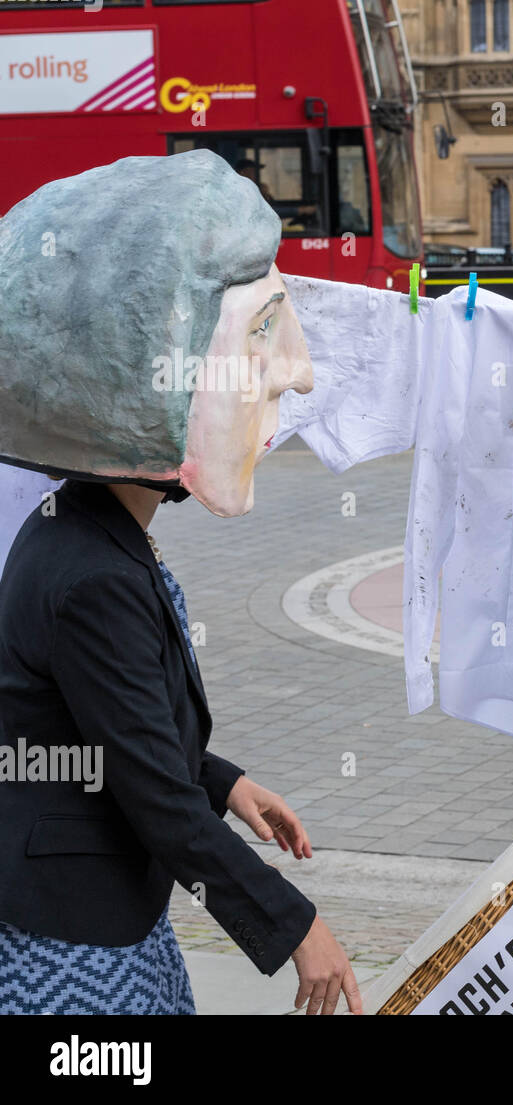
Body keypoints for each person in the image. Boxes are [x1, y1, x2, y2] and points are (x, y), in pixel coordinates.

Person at [0, 151, 361, 1014]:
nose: (295, 372)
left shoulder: (91, 533)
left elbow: (125, 732)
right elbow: (151, 792)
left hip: (119, 921)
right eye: (261, 334)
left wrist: (226, 782)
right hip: (75, 950)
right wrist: (296, 926)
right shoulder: (90, 574)